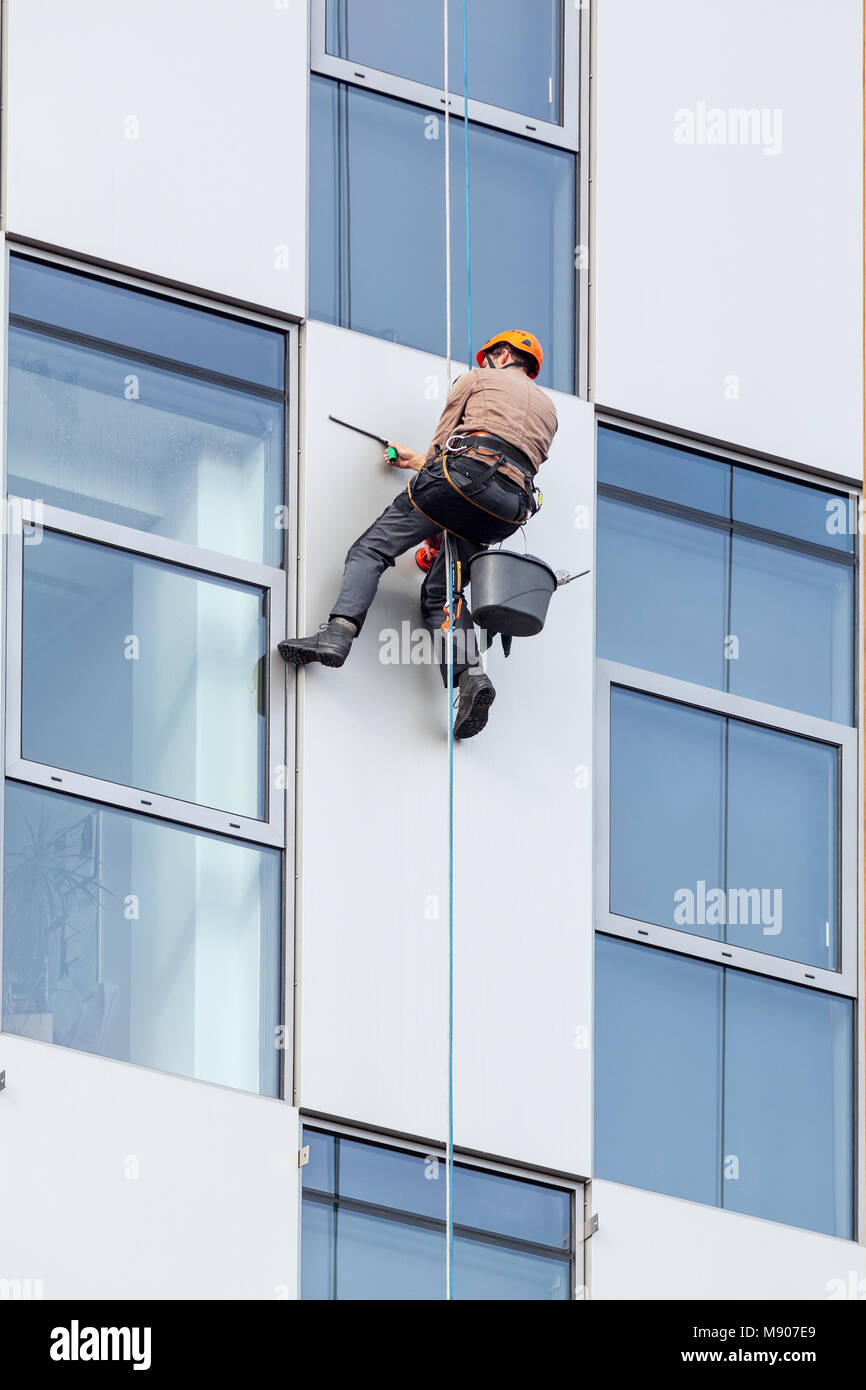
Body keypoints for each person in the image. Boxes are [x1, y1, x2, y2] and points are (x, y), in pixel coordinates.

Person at [279, 331, 558, 739]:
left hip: (460, 481)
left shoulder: (475, 380)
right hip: (507, 511)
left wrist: (420, 470)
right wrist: (420, 475)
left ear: (500, 355)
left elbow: (444, 450)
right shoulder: (549, 411)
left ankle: (338, 635)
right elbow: (503, 458)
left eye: (488, 358)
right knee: (441, 596)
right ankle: (471, 677)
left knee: (371, 549)